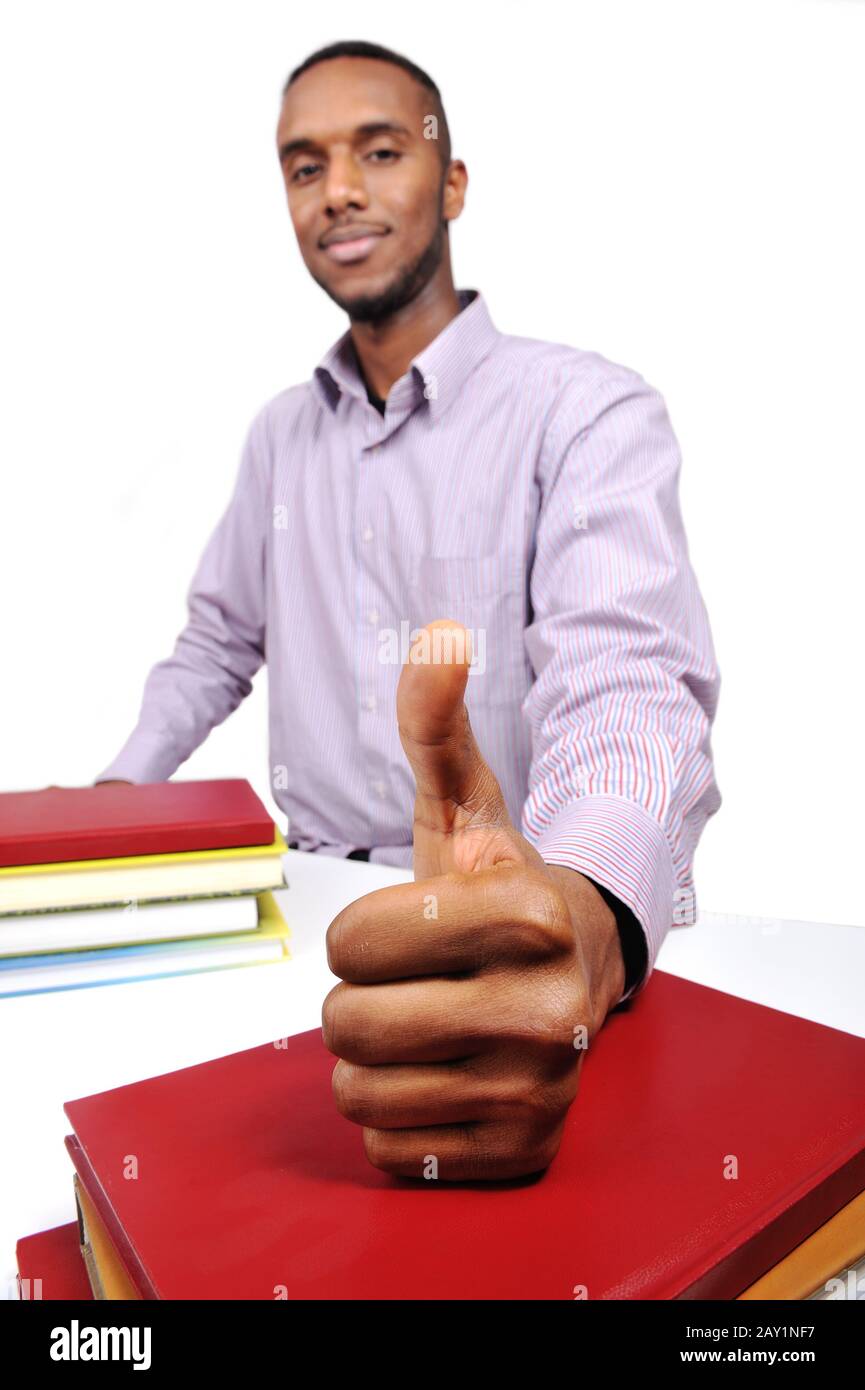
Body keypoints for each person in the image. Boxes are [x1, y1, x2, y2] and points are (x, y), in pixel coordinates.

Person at [96, 40, 721, 1180]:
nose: (336, 187)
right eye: (302, 166)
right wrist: (106, 809)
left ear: (451, 183)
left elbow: (627, 679)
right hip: (296, 918)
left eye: (379, 152)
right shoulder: (282, 436)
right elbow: (216, 641)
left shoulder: (586, 412)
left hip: (507, 941)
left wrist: (581, 909)